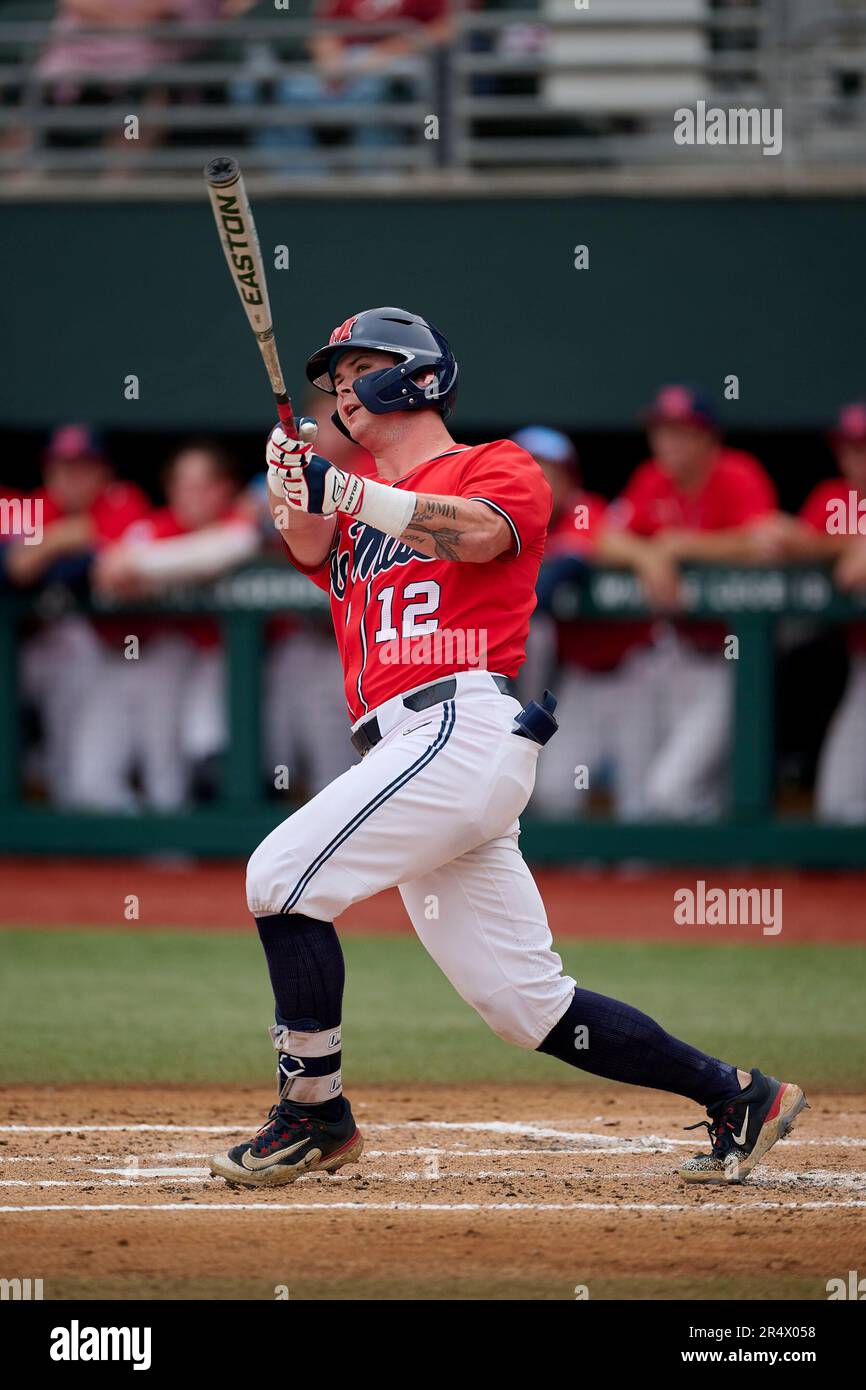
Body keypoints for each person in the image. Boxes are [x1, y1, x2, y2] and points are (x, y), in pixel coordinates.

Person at [209, 308, 806, 1190]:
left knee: (278, 877)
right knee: (526, 1006)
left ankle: (315, 1113)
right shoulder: (352, 497)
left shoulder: (498, 466)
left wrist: (345, 489)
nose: (340, 386)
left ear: (414, 376)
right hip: (405, 748)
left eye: (358, 367)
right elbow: (308, 541)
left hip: (458, 724)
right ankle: (738, 1096)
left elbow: (478, 531)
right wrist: (291, 482)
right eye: (332, 376)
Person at [595, 386, 777, 820]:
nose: (668, 442)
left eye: (681, 432)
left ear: (708, 438)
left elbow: (768, 542)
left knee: (673, 791)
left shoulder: (738, 473)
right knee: (644, 796)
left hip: (733, 658)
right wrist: (647, 553)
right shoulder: (651, 478)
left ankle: (728, 871)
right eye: (662, 431)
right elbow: (603, 539)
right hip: (672, 653)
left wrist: (682, 546)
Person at [74, 440, 258, 810]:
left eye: (201, 485)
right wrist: (133, 563)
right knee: (89, 784)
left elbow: (235, 545)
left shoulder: (235, 525)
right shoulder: (157, 527)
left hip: (251, 665)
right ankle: (139, 847)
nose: (188, 496)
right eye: (181, 485)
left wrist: (144, 566)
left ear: (224, 488)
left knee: (189, 761)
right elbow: (109, 571)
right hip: (139, 654)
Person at [512, 426, 657, 820]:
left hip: (636, 667)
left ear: (569, 479)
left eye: (548, 472)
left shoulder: (584, 508)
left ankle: (645, 880)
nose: (538, 481)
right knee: (557, 789)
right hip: (581, 675)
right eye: (527, 470)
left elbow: (569, 562)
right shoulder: (506, 524)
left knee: (645, 800)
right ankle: (583, 882)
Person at [6, 425, 150, 805]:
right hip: (67, 660)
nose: (69, 478)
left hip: (139, 654)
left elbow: (116, 554)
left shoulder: (123, 499)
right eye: (61, 467)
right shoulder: (38, 504)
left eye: (82, 467)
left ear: (103, 472)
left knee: (150, 771)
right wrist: (65, 537)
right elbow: (19, 566)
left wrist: (51, 543)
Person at [753, 402, 866, 822]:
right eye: (850, 447)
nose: (856, 458)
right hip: (861, 667)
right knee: (840, 803)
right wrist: (849, 544)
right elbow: (790, 543)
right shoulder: (833, 497)